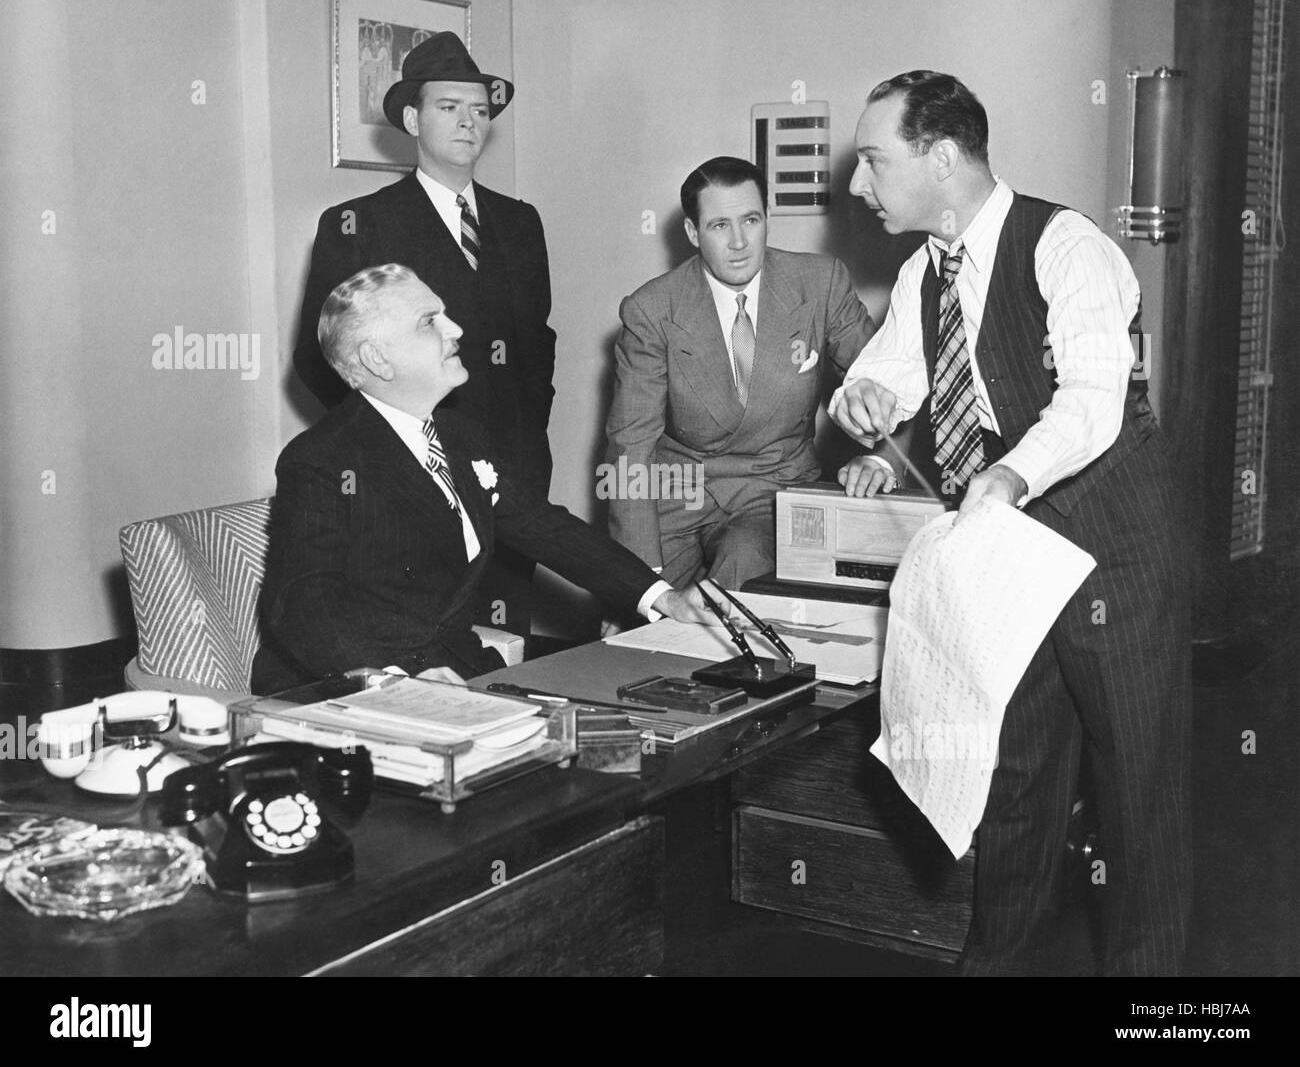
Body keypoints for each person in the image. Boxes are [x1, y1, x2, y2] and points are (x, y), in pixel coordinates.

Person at [831, 71, 1191, 976]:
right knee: (1019, 777)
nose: (856, 185)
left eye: (874, 160)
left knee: (1137, 795)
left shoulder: (1068, 246)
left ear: (941, 157)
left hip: (1116, 555)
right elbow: (877, 380)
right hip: (1013, 561)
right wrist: (861, 399)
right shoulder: (925, 272)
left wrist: (1004, 474)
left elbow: (1094, 404)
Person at [252, 265, 713, 696]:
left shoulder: (459, 435)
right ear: (378, 359)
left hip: (455, 667)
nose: (455, 330)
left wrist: (663, 597)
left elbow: (543, 526)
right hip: (344, 691)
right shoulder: (321, 460)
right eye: (429, 321)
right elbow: (304, 602)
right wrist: (387, 684)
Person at [292, 31, 553, 642]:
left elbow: (537, 344)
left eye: (480, 109)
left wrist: (527, 442)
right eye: (449, 107)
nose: (469, 122)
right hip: (408, 476)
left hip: (510, 472)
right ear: (411, 118)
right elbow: (317, 357)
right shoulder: (359, 224)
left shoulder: (520, 222)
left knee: (503, 647)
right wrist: (394, 443)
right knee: (425, 650)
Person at [604, 156, 878, 591]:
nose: (739, 242)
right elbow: (630, 445)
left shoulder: (820, 282)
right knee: (643, 622)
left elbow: (884, 382)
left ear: (767, 218)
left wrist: (882, 457)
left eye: (750, 220)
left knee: (738, 581)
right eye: (719, 226)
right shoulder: (652, 310)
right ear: (693, 233)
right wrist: (639, 580)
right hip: (677, 490)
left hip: (773, 488)